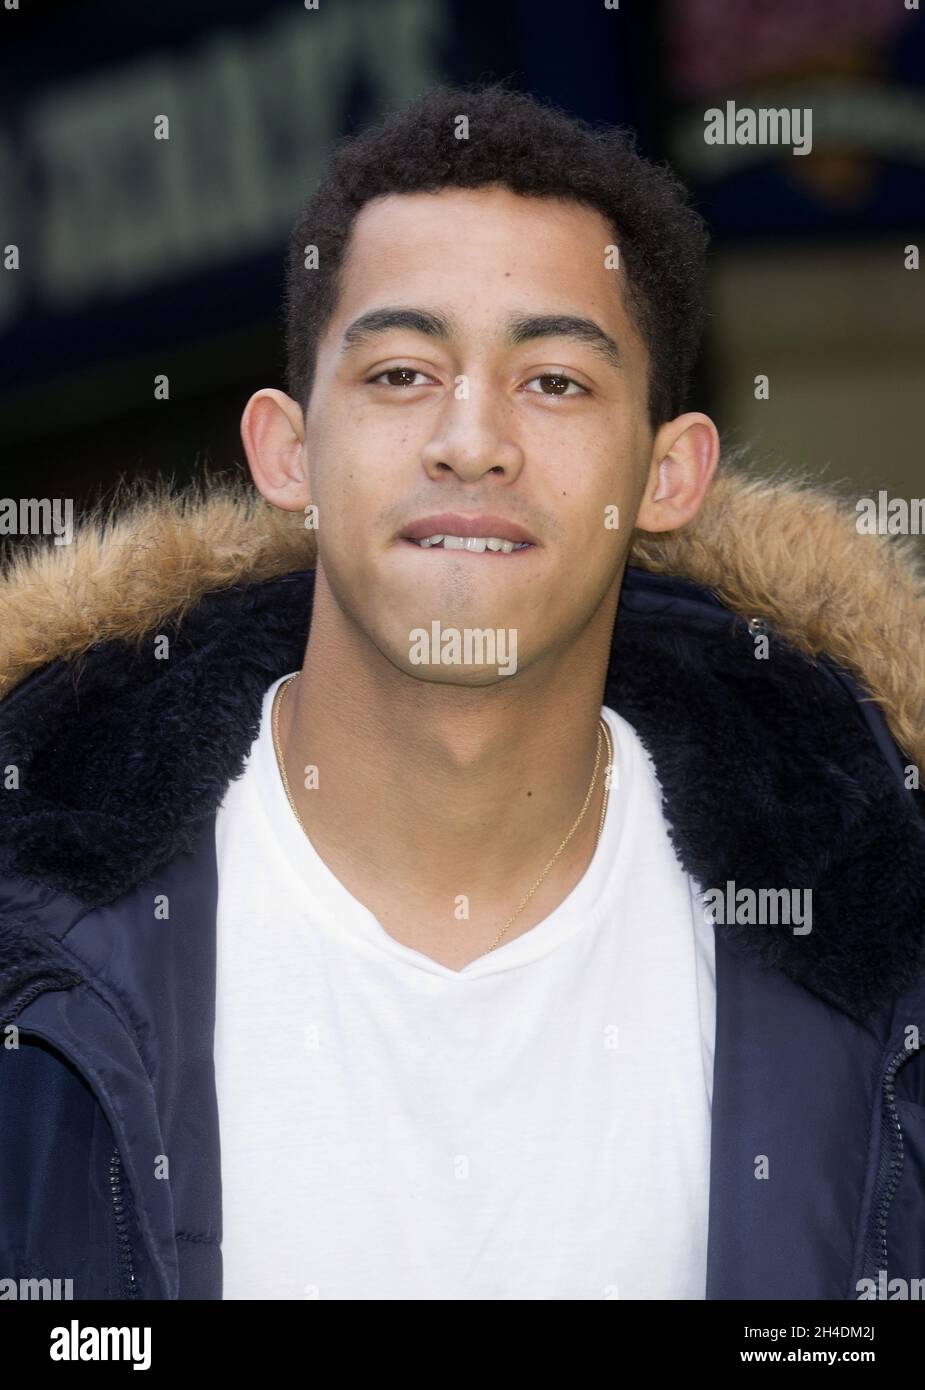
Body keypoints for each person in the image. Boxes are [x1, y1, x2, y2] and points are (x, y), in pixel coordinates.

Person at [1, 81, 923, 1303]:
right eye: (397, 372)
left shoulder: (876, 934)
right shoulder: (33, 928)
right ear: (285, 451)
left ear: (668, 472)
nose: (470, 437)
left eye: (554, 380)